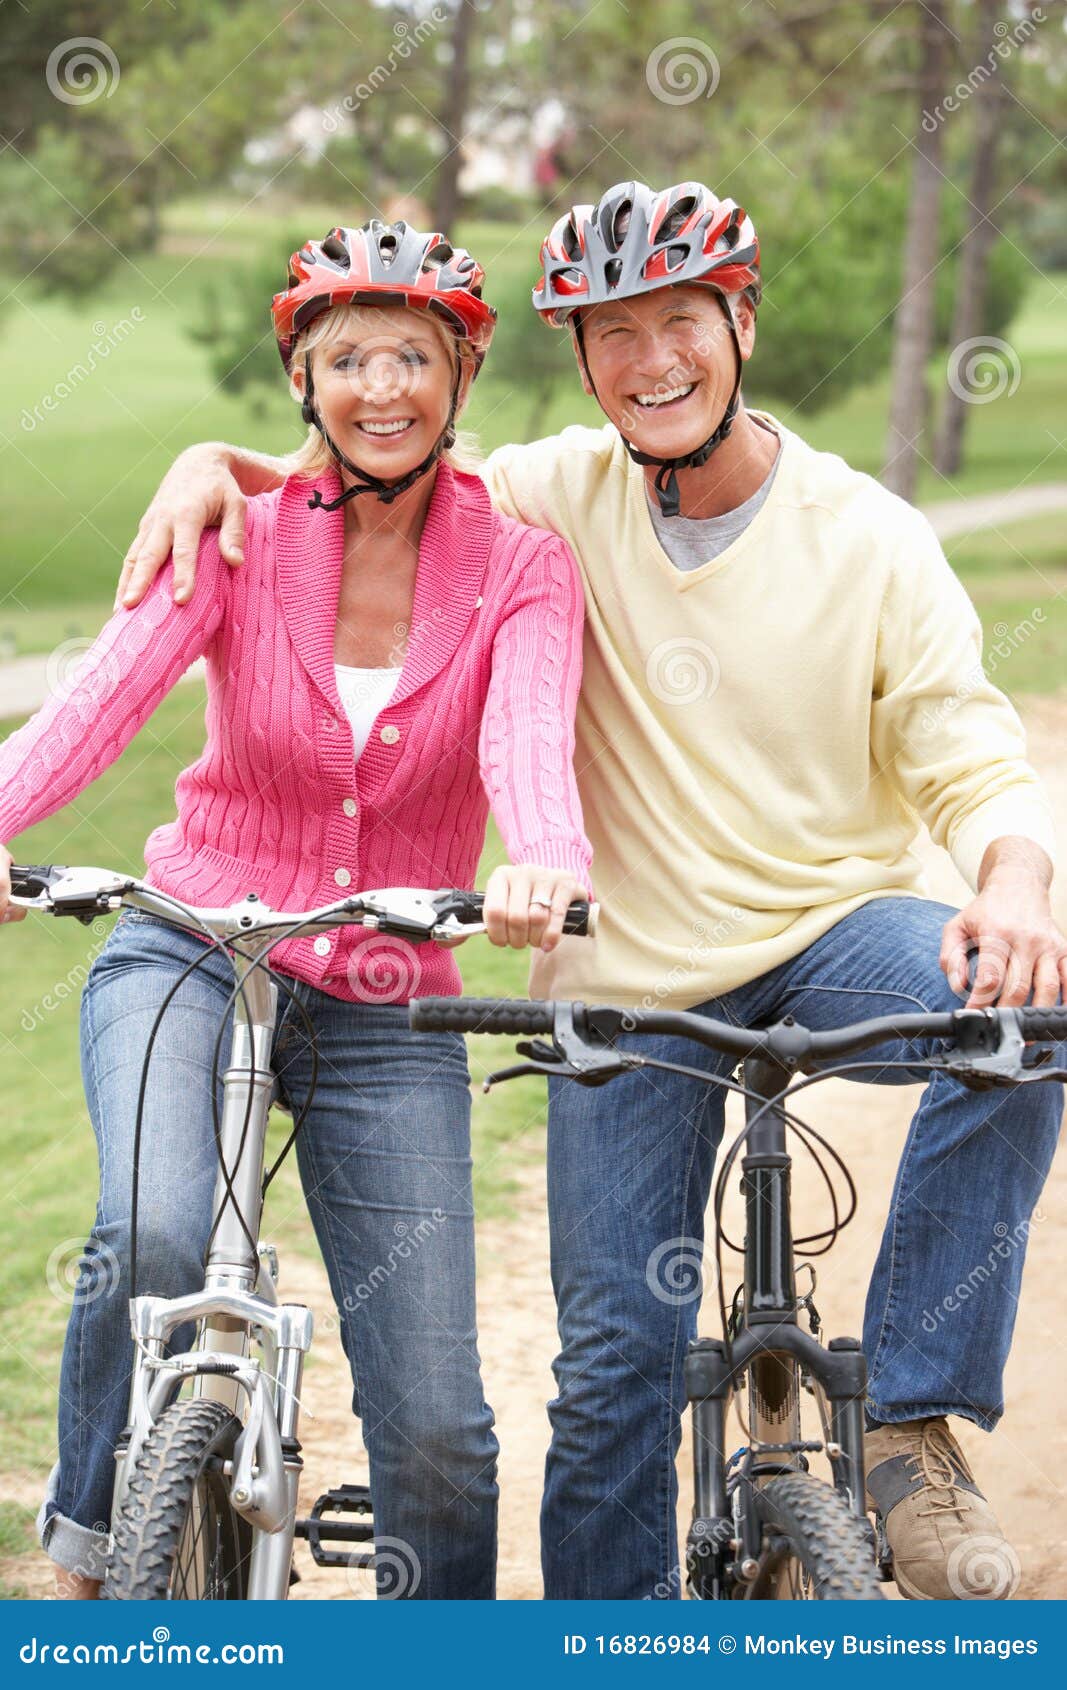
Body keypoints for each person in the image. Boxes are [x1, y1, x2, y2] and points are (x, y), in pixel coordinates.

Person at [112, 181, 1064, 1602]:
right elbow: (376, 453)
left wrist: (1018, 885)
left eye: (679, 322)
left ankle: (914, 1420)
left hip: (828, 930)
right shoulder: (554, 496)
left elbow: (970, 753)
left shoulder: (870, 538)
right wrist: (212, 459)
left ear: (741, 323)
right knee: (615, 1367)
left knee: (1032, 1017)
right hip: (626, 977)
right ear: (579, 360)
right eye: (611, 335)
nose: (650, 362)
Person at [0, 219, 592, 1600]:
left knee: (437, 1416)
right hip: (191, 942)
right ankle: (92, 1551)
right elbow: (100, 698)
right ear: (301, 379)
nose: (380, 387)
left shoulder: (520, 566)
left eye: (412, 357)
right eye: (345, 360)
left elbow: (528, 746)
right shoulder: (232, 533)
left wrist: (541, 860)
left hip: (388, 991)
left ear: (462, 376)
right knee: (150, 1234)